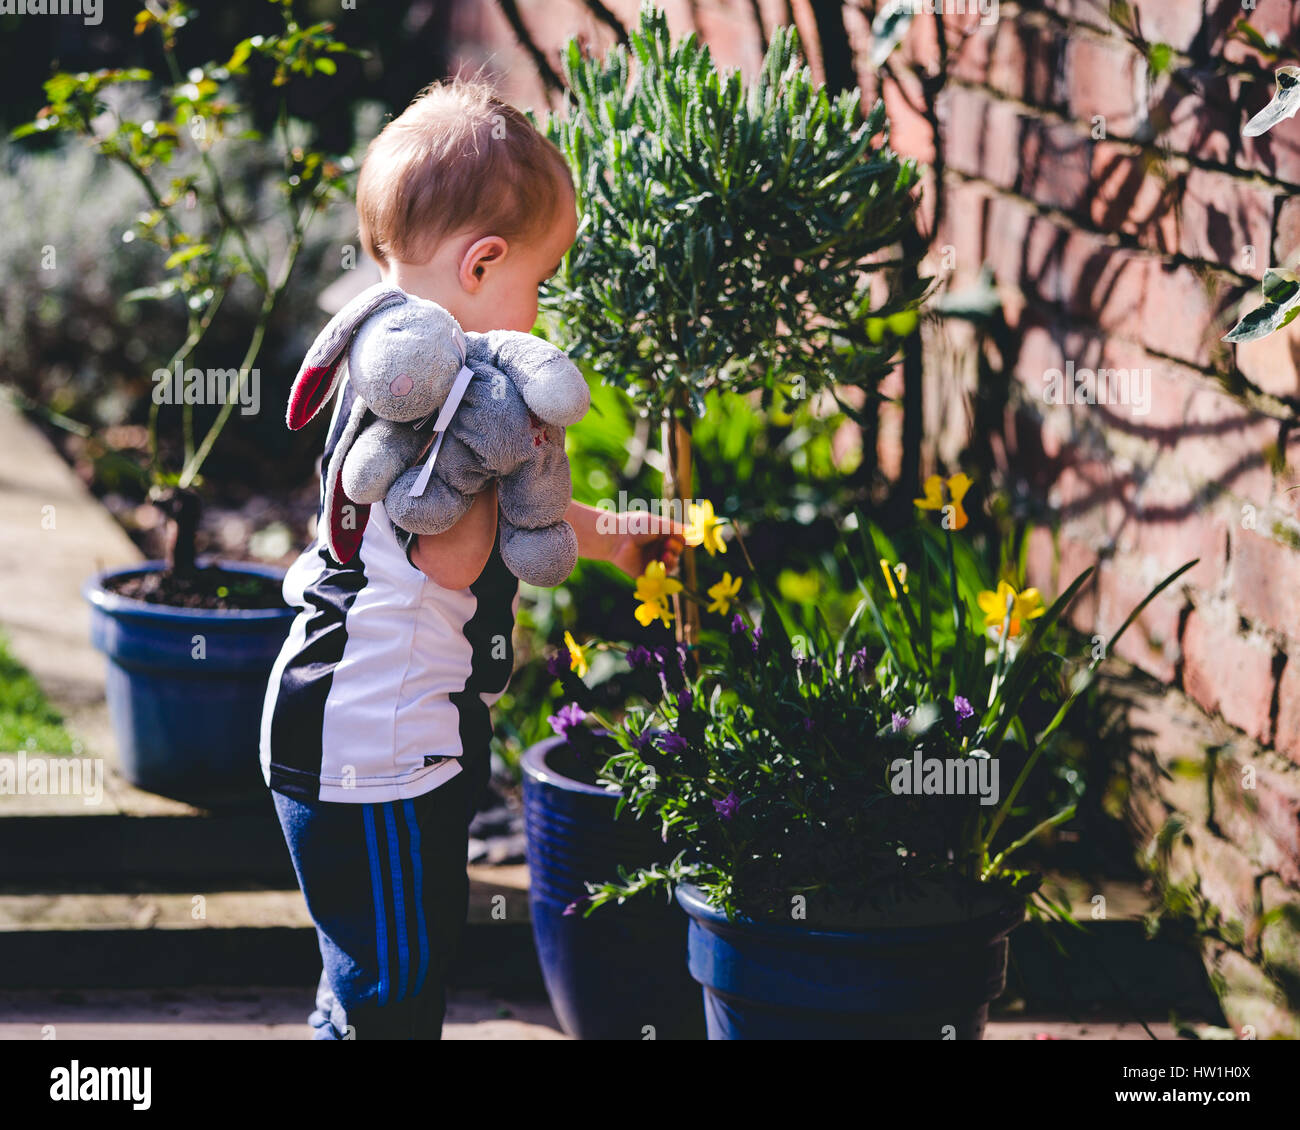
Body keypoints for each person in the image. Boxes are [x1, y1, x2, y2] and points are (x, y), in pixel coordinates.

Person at [260, 79, 682, 1039]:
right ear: (485, 263)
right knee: (393, 992)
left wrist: (607, 531)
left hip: (336, 712)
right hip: (379, 743)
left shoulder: (391, 358)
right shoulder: (444, 389)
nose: (539, 308)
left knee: (363, 970)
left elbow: (471, 507)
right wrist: (521, 440)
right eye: (540, 282)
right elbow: (453, 562)